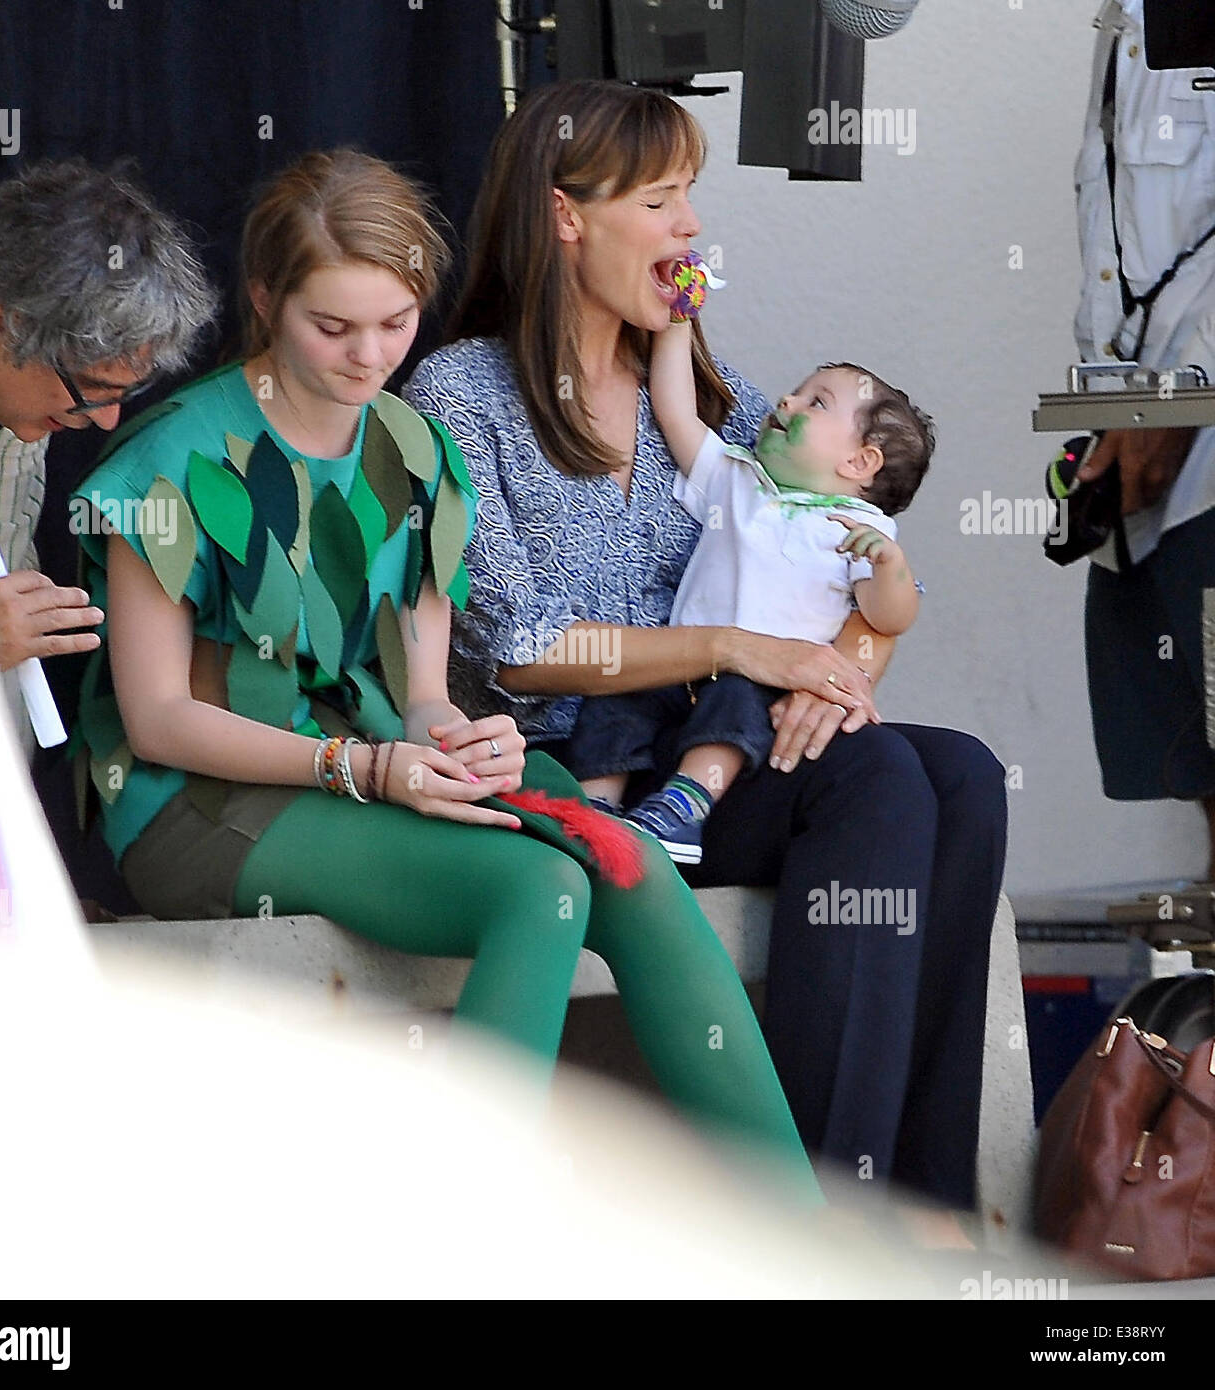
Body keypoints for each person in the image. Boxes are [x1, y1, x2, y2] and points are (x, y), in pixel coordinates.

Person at [67, 148, 823, 1200]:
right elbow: (155, 722)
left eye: (394, 323)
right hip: (200, 802)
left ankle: (801, 1236)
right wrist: (366, 767)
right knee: (541, 884)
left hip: (371, 760)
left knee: (626, 860)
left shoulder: (420, 449)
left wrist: (459, 736)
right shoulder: (173, 460)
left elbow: (422, 688)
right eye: (333, 327)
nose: (368, 354)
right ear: (263, 300)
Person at [403, 79, 1007, 1216]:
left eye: (695, 198)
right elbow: (517, 642)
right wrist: (738, 647)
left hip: (715, 755)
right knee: (884, 776)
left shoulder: (718, 404)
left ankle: (924, 1207)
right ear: (568, 214)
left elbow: (859, 576)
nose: (692, 228)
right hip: (590, 768)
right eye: (666, 198)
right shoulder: (460, 393)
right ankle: (822, 1217)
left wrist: (840, 681)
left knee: (965, 772)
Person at [567, 287, 932, 864]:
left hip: (762, 683)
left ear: (859, 463)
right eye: (798, 390)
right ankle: (593, 812)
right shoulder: (738, 478)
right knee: (615, 701)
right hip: (681, 661)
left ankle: (686, 804)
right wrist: (678, 324)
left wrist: (891, 568)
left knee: (735, 710)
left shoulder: (859, 527)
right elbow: (674, 410)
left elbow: (890, 617)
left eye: (816, 403)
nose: (786, 400)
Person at [0, 160, 217, 753]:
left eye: (122, 396)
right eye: (92, 394)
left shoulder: (23, 363)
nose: (106, 422)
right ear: (1, 327)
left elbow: (1, 615)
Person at [1068, 0, 1215, 877]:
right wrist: (1120, 401)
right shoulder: (1122, 17)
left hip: (1192, 416)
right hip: (1134, 417)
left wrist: (1181, 398)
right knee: (1185, 749)